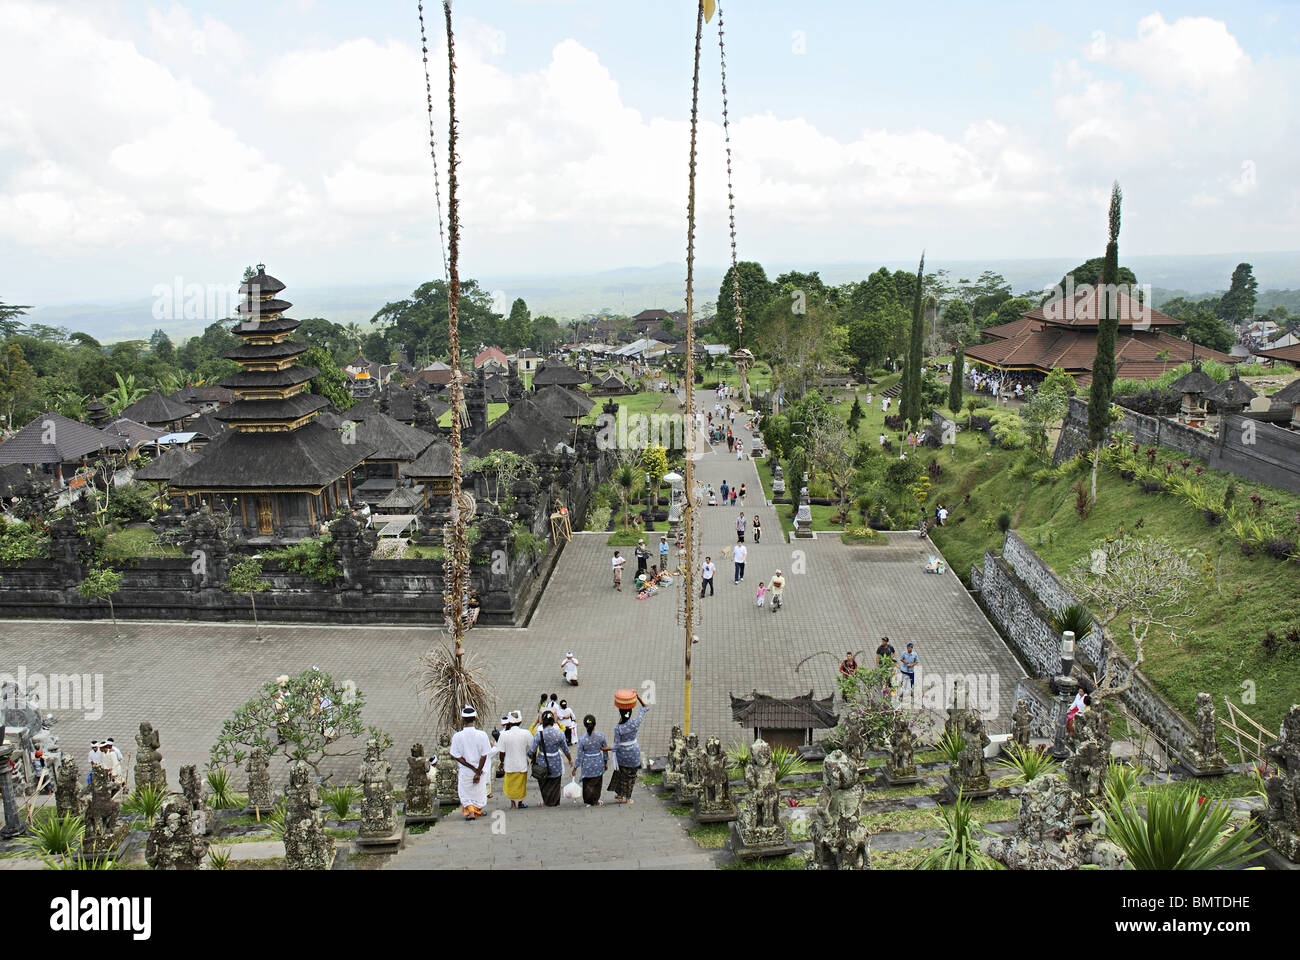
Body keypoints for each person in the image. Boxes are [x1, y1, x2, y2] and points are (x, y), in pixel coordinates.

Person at [450, 705, 494, 820]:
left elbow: (456, 755)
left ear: (462, 719)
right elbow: (484, 755)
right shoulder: (482, 735)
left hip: (465, 771)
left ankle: (470, 811)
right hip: (480, 769)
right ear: (475, 718)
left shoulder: (457, 736)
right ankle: (476, 810)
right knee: (478, 793)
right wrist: (478, 772)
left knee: (465, 793)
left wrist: (471, 767)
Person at [609, 693, 648, 804]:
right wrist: (638, 697)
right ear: (630, 714)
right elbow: (645, 708)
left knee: (622, 775)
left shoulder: (617, 728)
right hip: (634, 753)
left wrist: (606, 749)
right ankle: (628, 798)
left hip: (622, 755)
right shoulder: (635, 723)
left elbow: (616, 745)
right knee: (631, 777)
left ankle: (620, 795)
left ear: (620, 713)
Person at [528, 710, 571, 807]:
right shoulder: (560, 734)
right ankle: (555, 802)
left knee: (544, 783)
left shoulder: (539, 735)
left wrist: (530, 757)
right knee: (555, 783)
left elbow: (532, 750)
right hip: (556, 762)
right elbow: (566, 750)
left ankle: (547, 802)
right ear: (553, 721)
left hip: (542, 763)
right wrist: (570, 760)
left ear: (542, 722)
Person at [574, 714, 609, 807]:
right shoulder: (601, 736)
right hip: (598, 763)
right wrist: (605, 762)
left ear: (585, 725)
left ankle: (588, 801)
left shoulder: (582, 739)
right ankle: (595, 801)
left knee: (587, 783)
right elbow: (605, 751)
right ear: (595, 724)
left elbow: (579, 756)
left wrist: (575, 768)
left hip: (586, 765)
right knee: (597, 784)